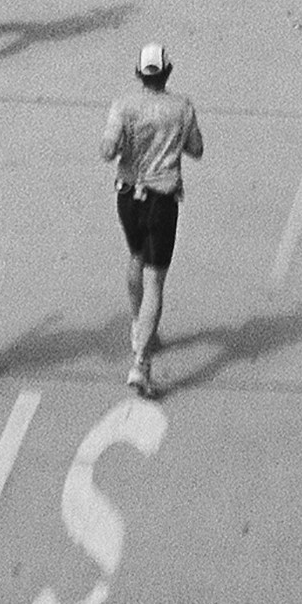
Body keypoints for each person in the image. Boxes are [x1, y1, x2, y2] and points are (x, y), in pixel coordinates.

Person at [102, 40, 202, 399]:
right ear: (168, 72)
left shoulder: (123, 106)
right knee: (156, 281)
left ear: (137, 73)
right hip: (162, 199)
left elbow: (107, 150)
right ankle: (141, 361)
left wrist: (129, 142)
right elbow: (197, 149)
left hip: (128, 195)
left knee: (134, 257)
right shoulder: (181, 107)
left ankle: (137, 326)